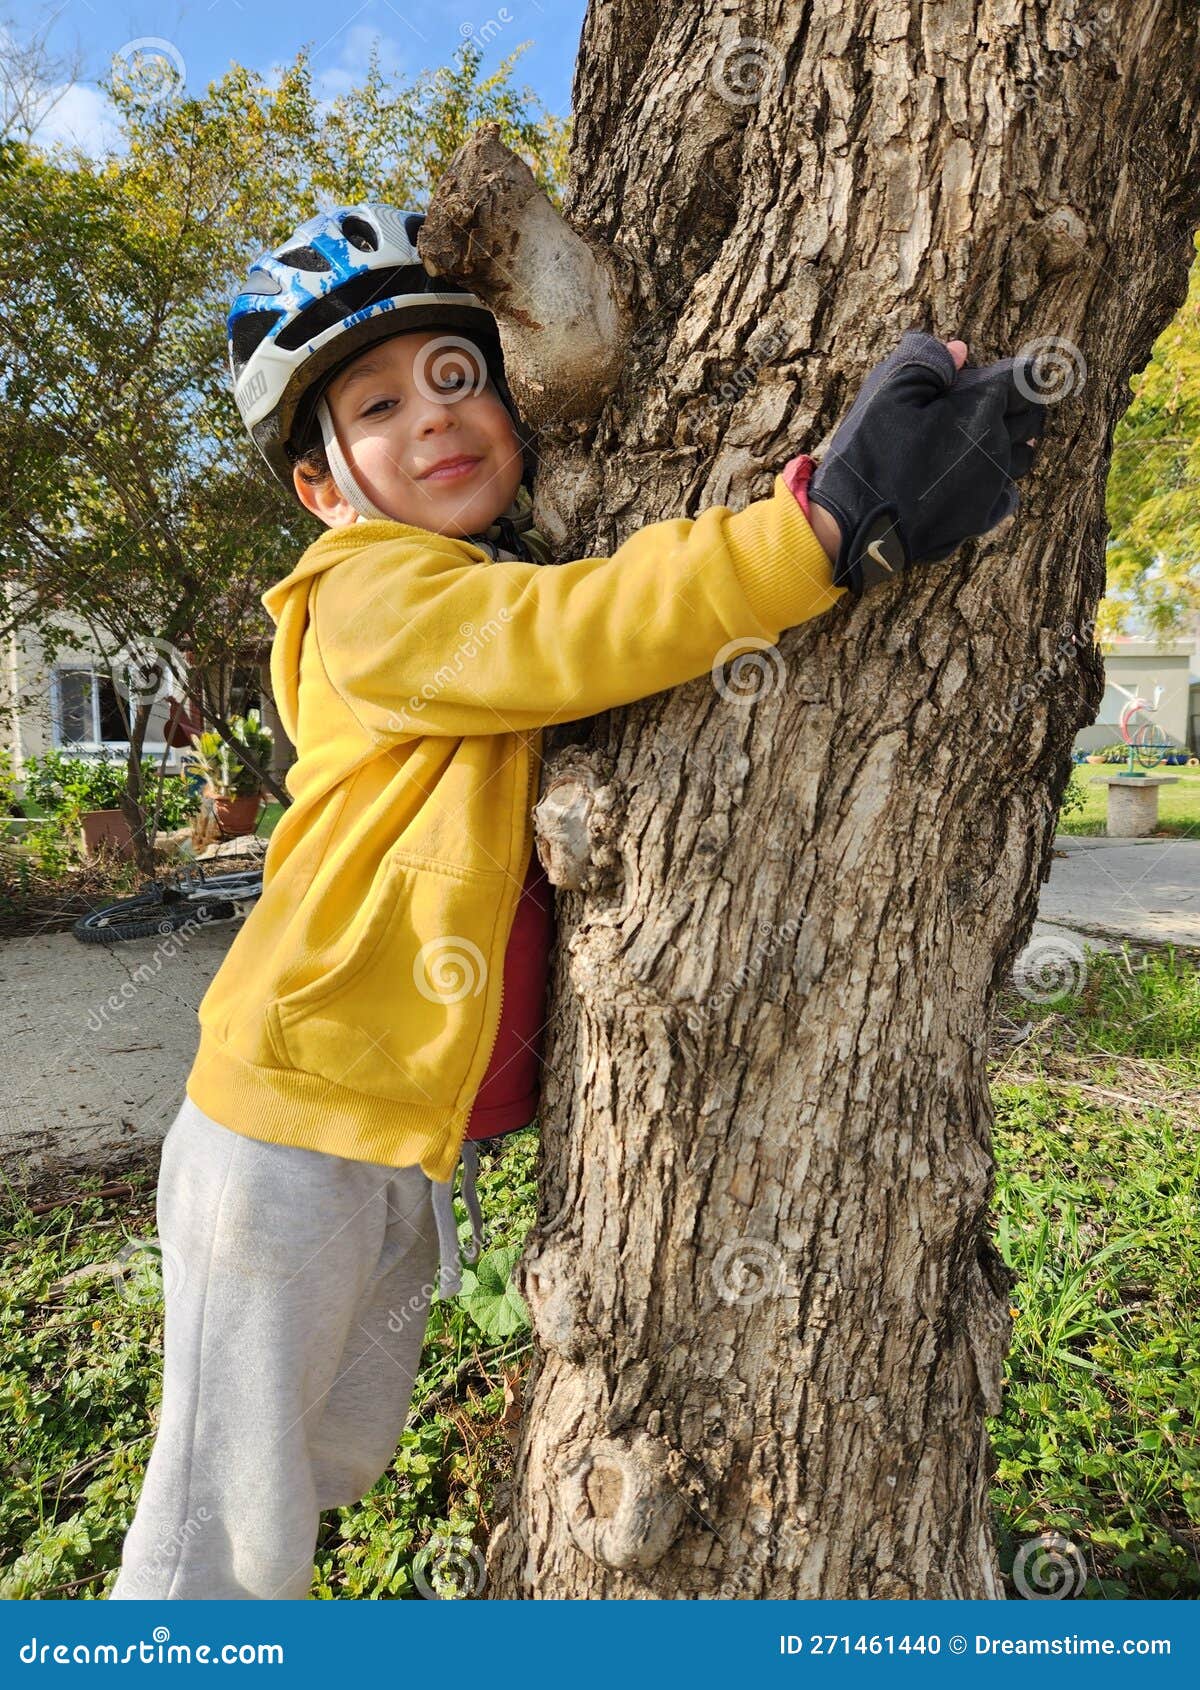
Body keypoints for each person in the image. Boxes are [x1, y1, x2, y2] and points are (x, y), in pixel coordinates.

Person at [109, 202, 1047, 1600]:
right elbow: (574, 633)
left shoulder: (462, 577)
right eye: (376, 404)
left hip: (384, 1150)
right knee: (220, 1519)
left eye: (459, 375)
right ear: (322, 489)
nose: (435, 415)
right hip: (282, 1137)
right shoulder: (367, 598)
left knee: (316, 1461)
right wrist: (818, 526)